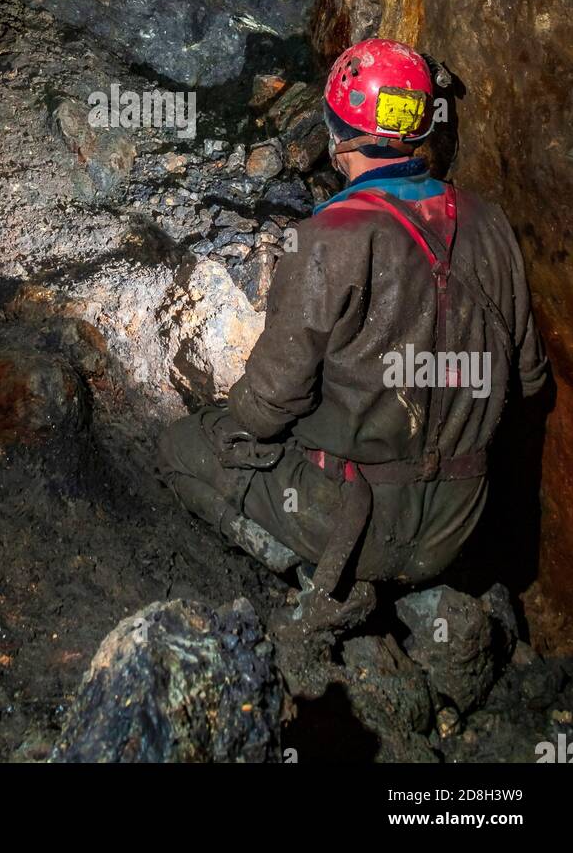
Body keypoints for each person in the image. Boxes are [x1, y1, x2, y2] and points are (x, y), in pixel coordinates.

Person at [159, 39, 548, 610]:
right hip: (457, 524)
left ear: (336, 137)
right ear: (420, 129)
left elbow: (267, 407)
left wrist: (228, 419)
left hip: (348, 521)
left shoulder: (328, 238)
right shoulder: (492, 226)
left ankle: (322, 588)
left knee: (181, 444)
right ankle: (430, 603)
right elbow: (530, 381)